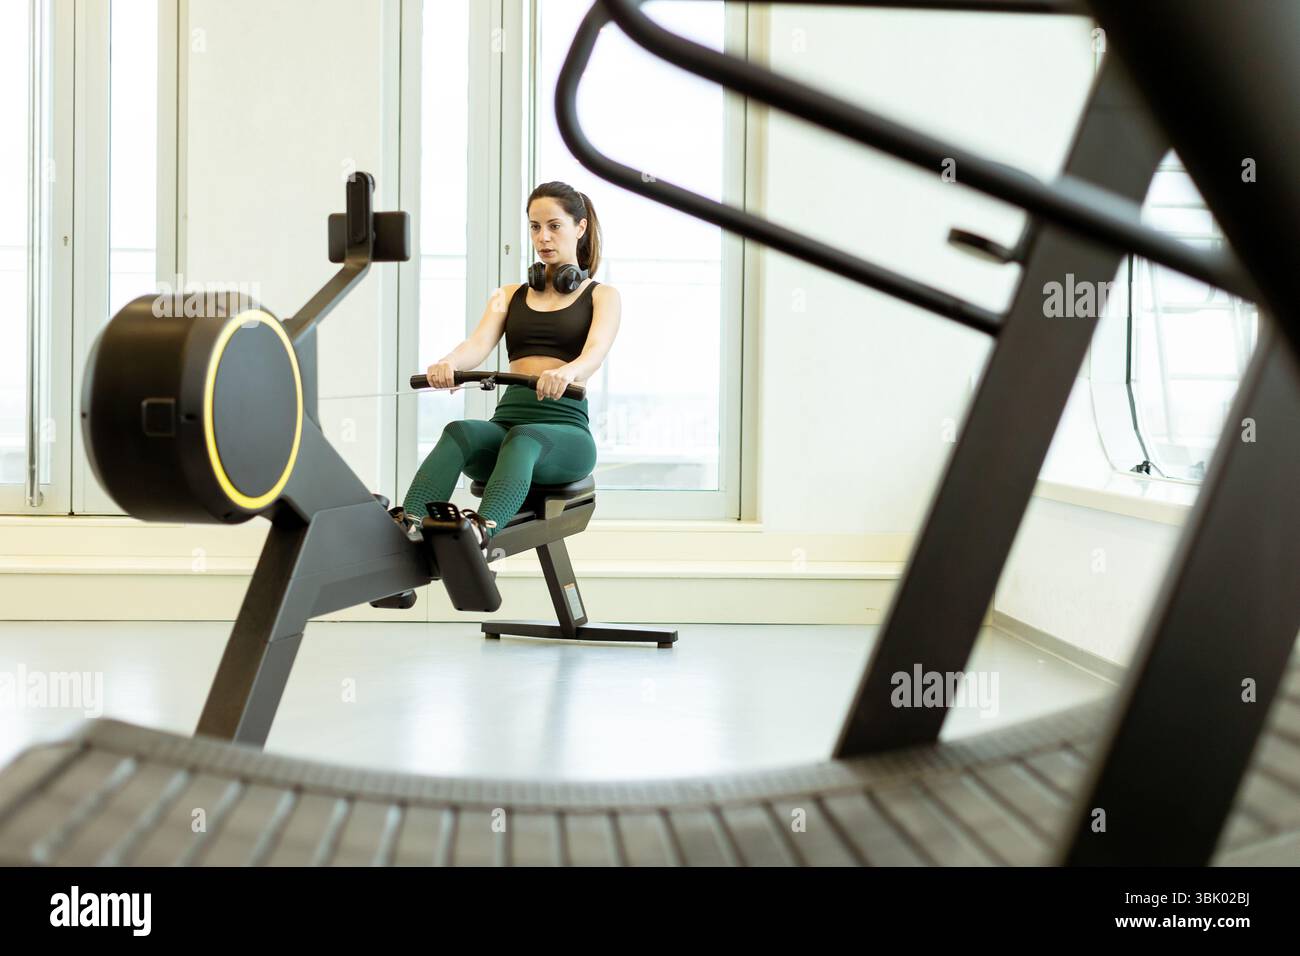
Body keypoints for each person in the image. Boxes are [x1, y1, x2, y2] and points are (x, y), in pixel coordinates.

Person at [391, 181, 619, 559]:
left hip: (565, 434)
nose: (542, 237)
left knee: (525, 438)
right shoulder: (509, 294)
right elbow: (477, 345)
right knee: (460, 431)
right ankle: (408, 529)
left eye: (554, 226)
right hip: (507, 425)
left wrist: (568, 372)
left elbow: (595, 351)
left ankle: (479, 536)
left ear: (579, 228)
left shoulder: (603, 295)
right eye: (534, 227)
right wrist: (449, 362)